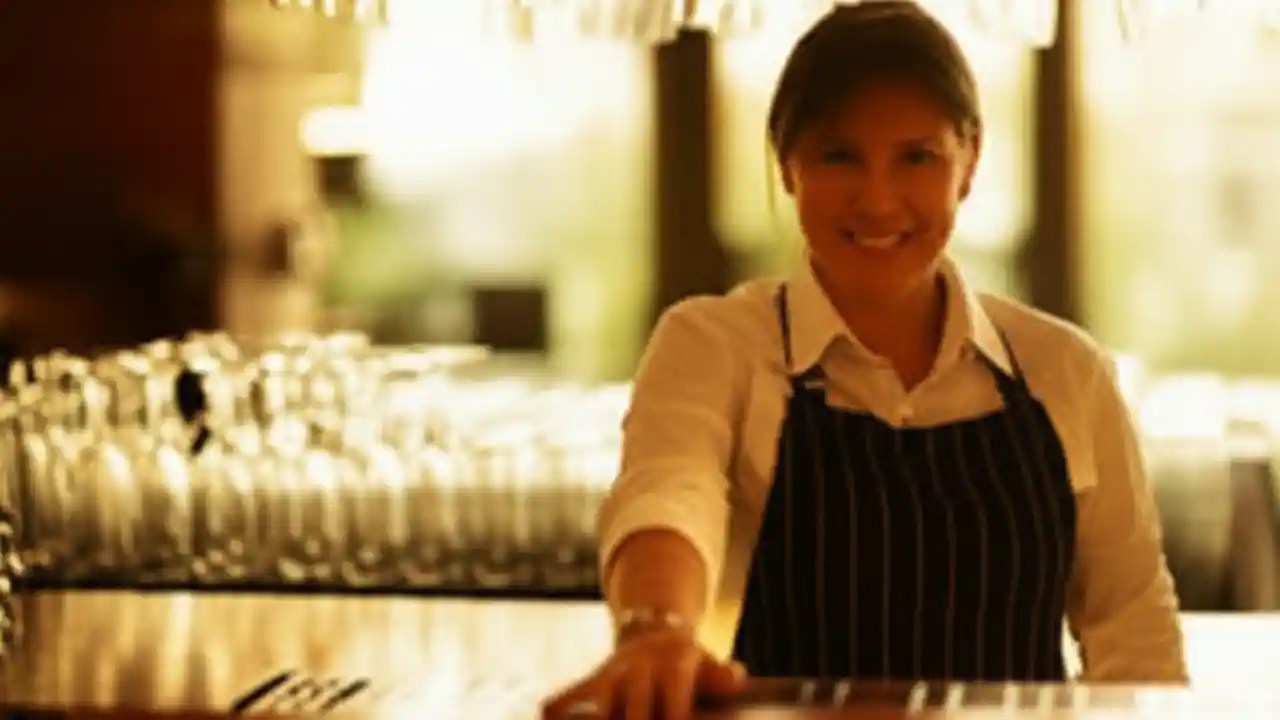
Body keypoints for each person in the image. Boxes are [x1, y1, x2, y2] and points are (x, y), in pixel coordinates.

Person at [543, 3, 1187, 718]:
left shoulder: (1067, 370)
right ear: (788, 166)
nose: (878, 200)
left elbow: (1135, 636)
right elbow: (668, 491)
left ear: (969, 161)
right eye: (838, 155)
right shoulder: (714, 343)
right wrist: (656, 627)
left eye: (916, 157)